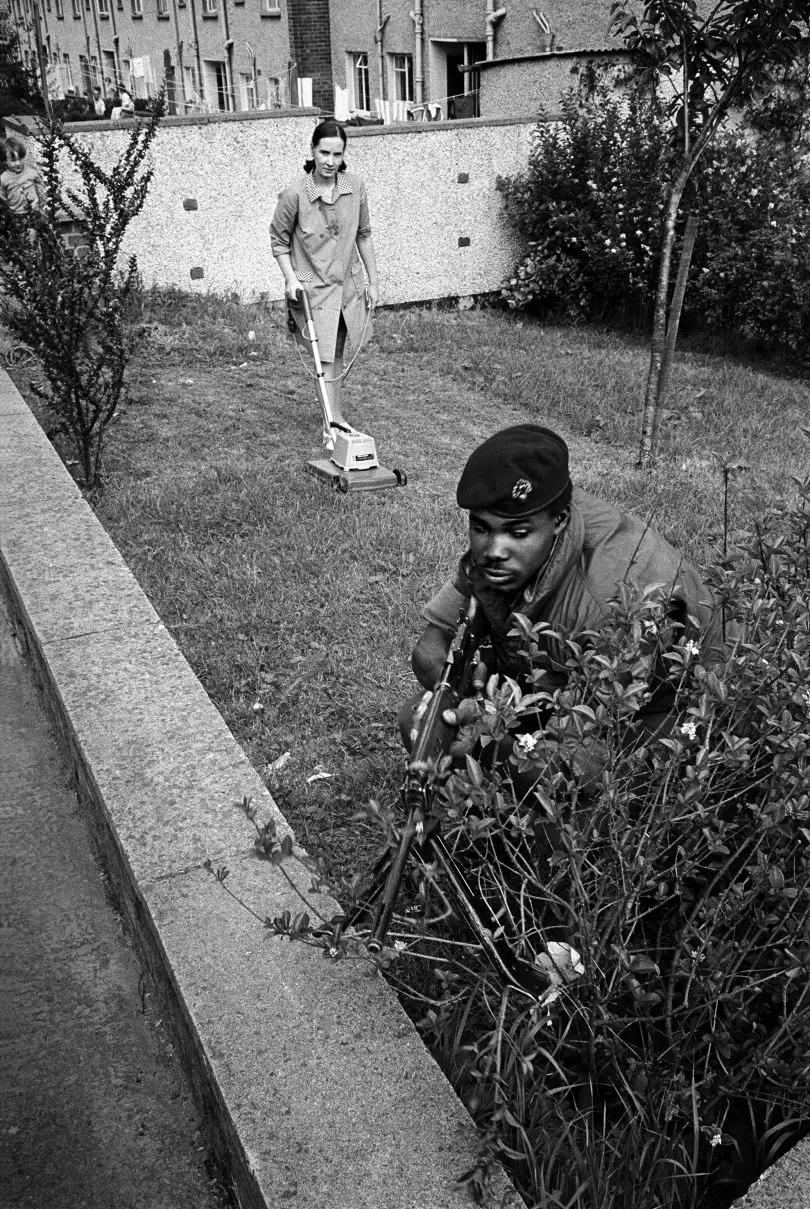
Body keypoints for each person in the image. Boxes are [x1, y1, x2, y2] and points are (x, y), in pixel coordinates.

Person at [401, 424, 725, 790]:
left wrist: (485, 732)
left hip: (666, 716)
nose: (494, 550)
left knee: (556, 795)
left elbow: (580, 766)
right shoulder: (534, 505)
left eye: (517, 534)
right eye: (481, 528)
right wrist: (449, 680)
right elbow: (437, 636)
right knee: (419, 720)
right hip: (563, 685)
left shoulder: (611, 608)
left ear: (559, 522)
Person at [270, 118, 379, 450]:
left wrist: (373, 282)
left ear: (343, 154)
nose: (330, 161)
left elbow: (363, 235)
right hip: (312, 288)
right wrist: (291, 278)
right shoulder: (295, 194)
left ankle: (336, 418)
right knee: (324, 358)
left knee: (339, 354)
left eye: (337, 154)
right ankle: (331, 426)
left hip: (347, 287)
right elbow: (279, 241)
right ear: (313, 151)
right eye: (324, 153)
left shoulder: (355, 186)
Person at [0, 138, 45, 216]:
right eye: (13, 160)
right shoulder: (3, 178)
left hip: (35, 212)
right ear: (5, 161)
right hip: (17, 215)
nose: (18, 163)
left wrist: (40, 202)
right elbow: (2, 197)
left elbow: (43, 186)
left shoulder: (31, 172)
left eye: (20, 159)